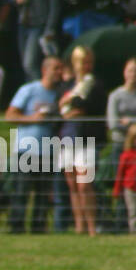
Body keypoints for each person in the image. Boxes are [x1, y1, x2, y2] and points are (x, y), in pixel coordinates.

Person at [5, 55, 64, 233]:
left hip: (48, 150)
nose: (59, 72)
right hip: (26, 150)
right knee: (21, 191)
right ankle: (16, 228)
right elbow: (10, 116)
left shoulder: (61, 94)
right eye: (56, 68)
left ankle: (38, 228)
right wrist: (32, 119)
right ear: (44, 70)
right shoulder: (29, 90)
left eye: (61, 68)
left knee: (42, 193)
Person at [57, 45, 107, 235]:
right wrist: (68, 106)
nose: (86, 66)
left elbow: (84, 105)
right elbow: (59, 109)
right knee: (72, 185)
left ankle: (92, 227)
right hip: (68, 137)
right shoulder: (66, 85)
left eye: (89, 62)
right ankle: (80, 226)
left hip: (87, 138)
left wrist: (70, 105)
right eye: (82, 62)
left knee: (84, 184)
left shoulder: (95, 84)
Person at [101, 58, 136, 233]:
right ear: (124, 73)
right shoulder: (116, 95)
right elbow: (113, 122)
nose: (133, 74)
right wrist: (135, 126)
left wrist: (129, 122)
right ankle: (118, 223)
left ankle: (134, 226)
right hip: (120, 145)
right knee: (119, 185)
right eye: (130, 70)